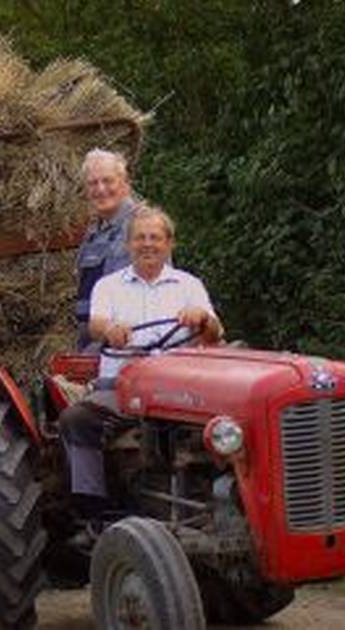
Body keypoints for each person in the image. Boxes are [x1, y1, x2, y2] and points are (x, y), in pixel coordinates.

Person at [59, 205, 223, 531]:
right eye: (140, 238)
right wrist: (110, 330)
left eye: (155, 238)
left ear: (169, 244)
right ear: (128, 244)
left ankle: (216, 497)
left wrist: (202, 319)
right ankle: (94, 510)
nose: (148, 244)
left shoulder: (188, 285)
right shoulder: (109, 286)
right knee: (76, 419)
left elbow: (216, 333)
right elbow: (96, 324)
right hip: (123, 385)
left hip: (179, 387)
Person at [75, 149, 138, 351]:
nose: (101, 189)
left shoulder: (142, 226)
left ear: (125, 183)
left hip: (128, 346)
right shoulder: (94, 233)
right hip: (94, 344)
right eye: (93, 183)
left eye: (108, 181)